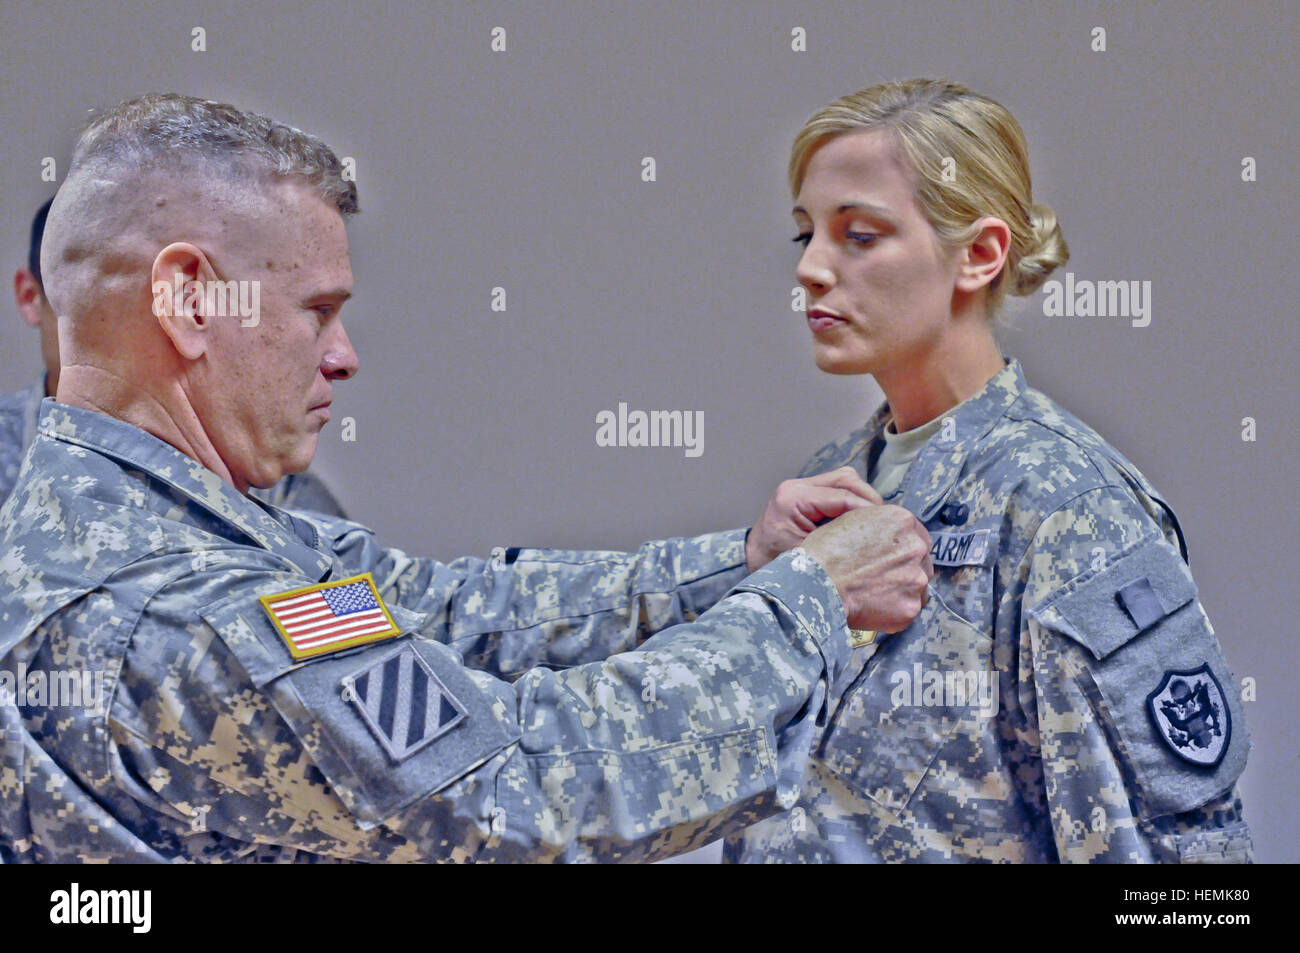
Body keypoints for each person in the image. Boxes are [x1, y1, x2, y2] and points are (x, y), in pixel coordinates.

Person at [0, 93, 934, 863]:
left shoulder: (145, 524)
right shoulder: (187, 612)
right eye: (316, 311)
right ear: (190, 299)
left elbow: (443, 612)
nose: (344, 357)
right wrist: (806, 604)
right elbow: (524, 791)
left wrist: (740, 564)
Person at [722, 79, 1252, 863]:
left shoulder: (1069, 510)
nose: (812, 270)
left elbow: (1184, 887)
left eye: (859, 235)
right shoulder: (825, 491)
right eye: (806, 236)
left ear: (979, 253)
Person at [3, 199, 348, 515]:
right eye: (89, 309)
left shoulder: (272, 487)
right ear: (31, 297)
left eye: (147, 308)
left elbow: (347, 576)